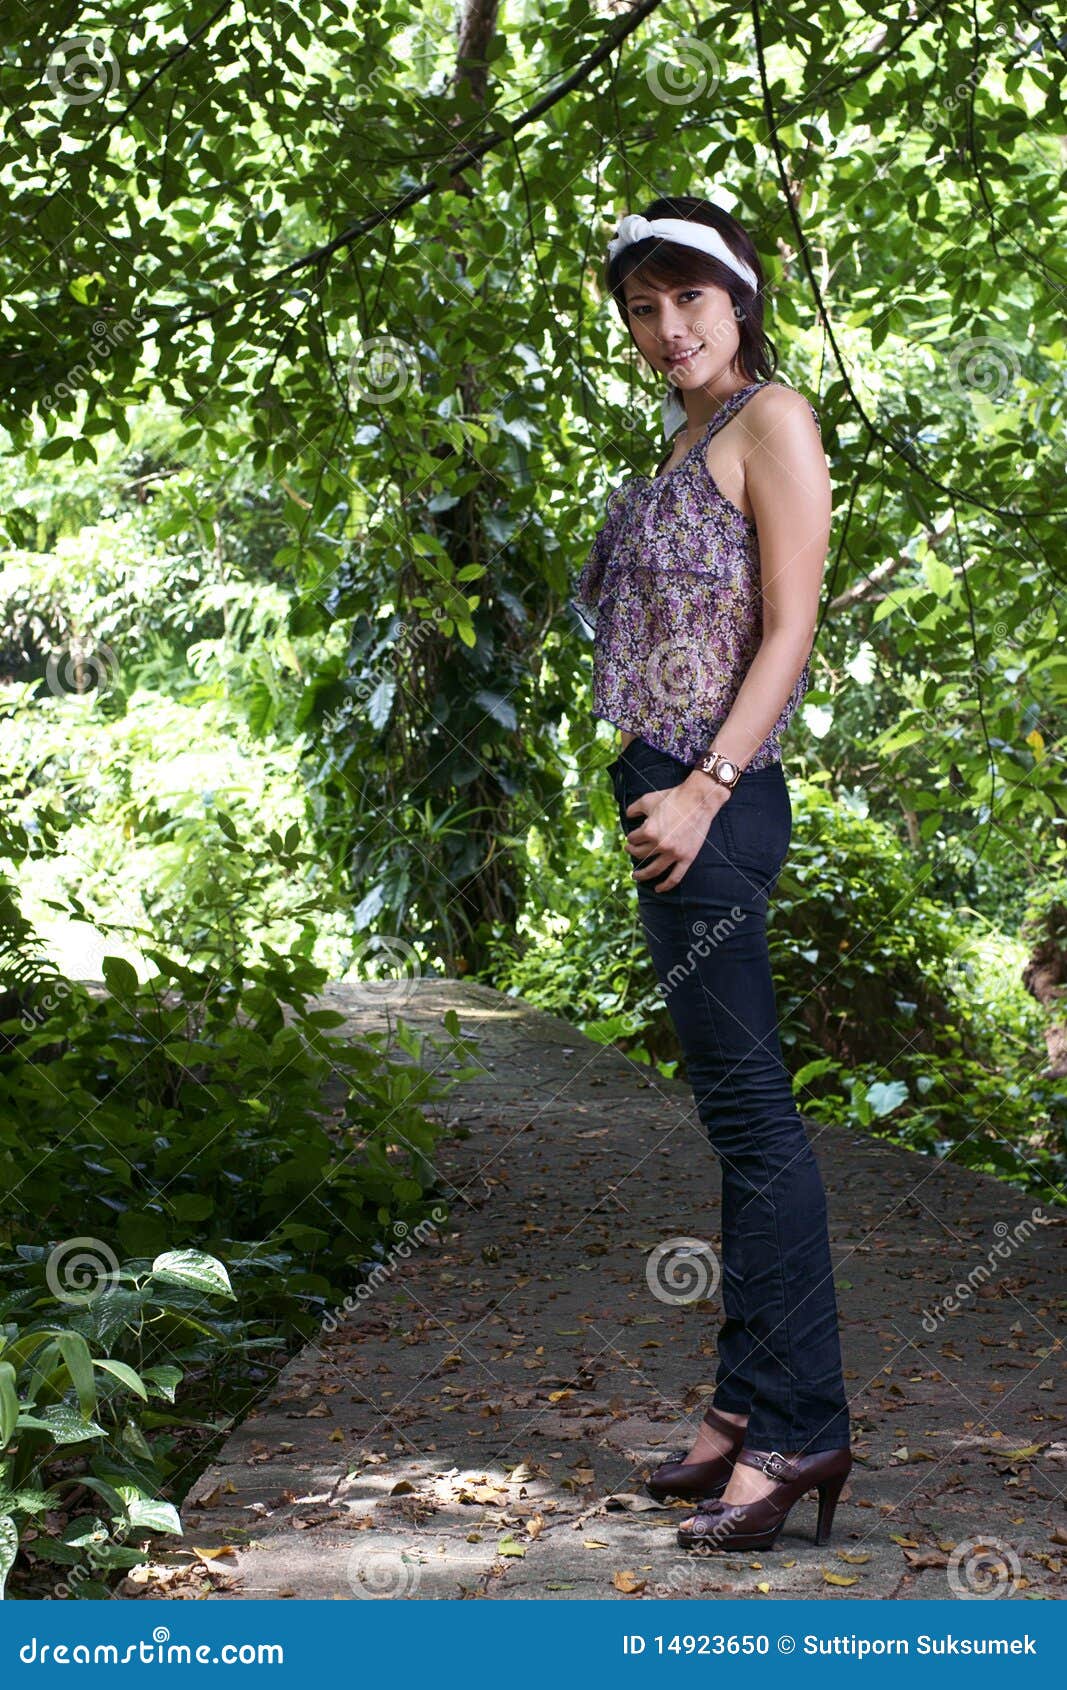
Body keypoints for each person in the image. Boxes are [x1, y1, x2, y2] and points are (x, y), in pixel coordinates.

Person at [572, 196, 852, 1554]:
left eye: (690, 297)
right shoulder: (686, 438)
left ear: (740, 301)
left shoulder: (773, 423)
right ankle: (747, 1408)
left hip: (713, 797)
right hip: (663, 792)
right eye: (642, 305)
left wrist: (702, 788)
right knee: (732, 1125)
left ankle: (803, 1427)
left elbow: (790, 629)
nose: (666, 326)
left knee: (757, 1124)